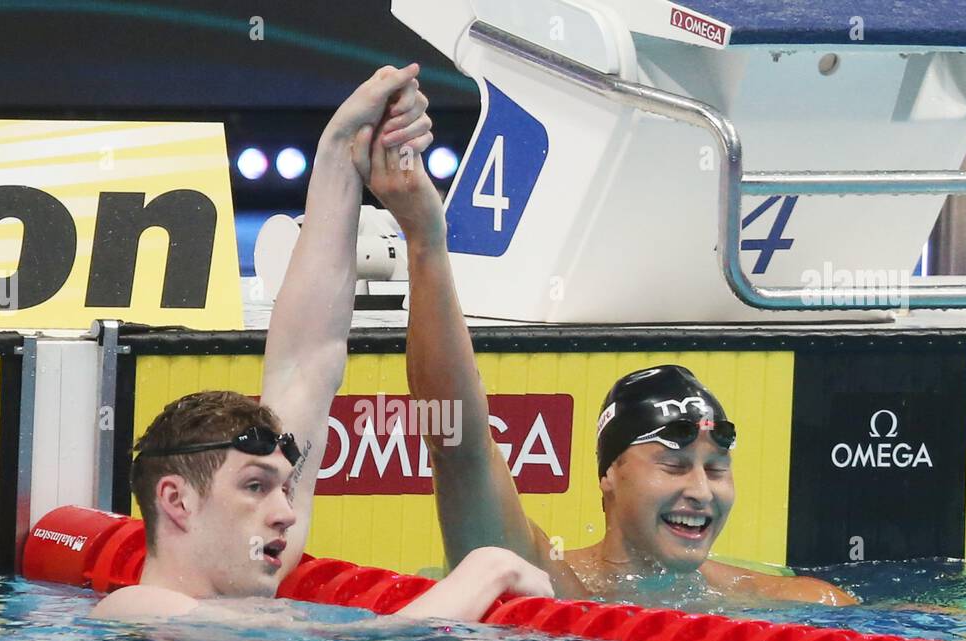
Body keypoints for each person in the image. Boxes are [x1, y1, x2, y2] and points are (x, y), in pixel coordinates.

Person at [93, 65, 553, 623]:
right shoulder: (137, 611)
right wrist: (490, 569)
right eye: (257, 487)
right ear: (176, 501)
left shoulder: (244, 594)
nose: (286, 513)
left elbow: (306, 363)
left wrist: (343, 152)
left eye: (286, 489)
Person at [364, 128, 856, 607]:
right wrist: (425, 239)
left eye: (717, 470)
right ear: (609, 475)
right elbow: (459, 444)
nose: (701, 492)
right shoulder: (548, 581)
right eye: (674, 466)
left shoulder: (792, 601)